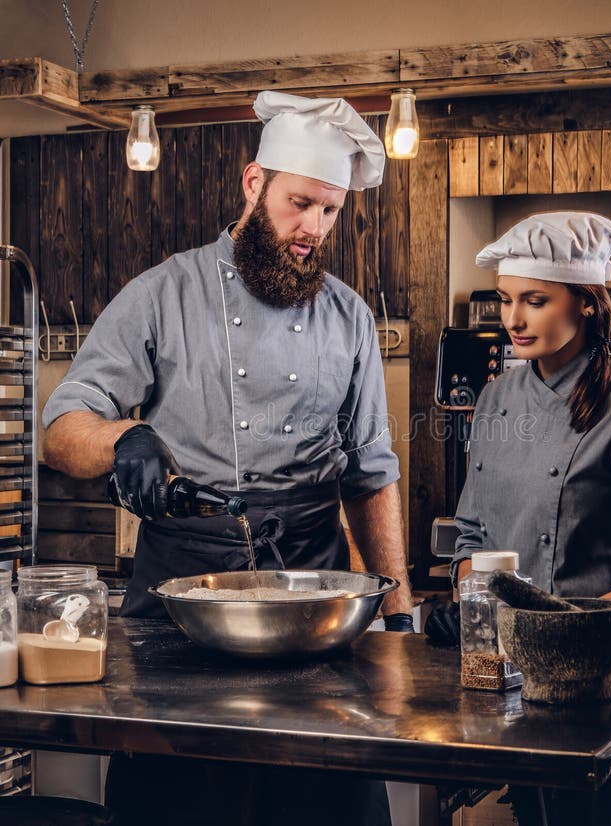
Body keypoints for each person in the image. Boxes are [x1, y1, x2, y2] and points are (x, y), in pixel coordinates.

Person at [42, 90, 414, 826]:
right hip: (182, 616)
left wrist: (396, 620)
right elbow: (62, 425)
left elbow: (371, 471)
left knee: (330, 807)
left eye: (331, 211)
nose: (313, 229)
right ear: (254, 183)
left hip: (316, 615)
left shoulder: (348, 317)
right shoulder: (163, 293)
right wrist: (125, 439)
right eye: (300, 203)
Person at [450, 212, 611, 826]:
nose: (514, 320)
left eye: (534, 301)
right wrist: (473, 593)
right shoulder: (495, 398)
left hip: (604, 684)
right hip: (507, 679)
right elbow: (471, 535)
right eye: (507, 300)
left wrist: (574, 631)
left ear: (587, 303)